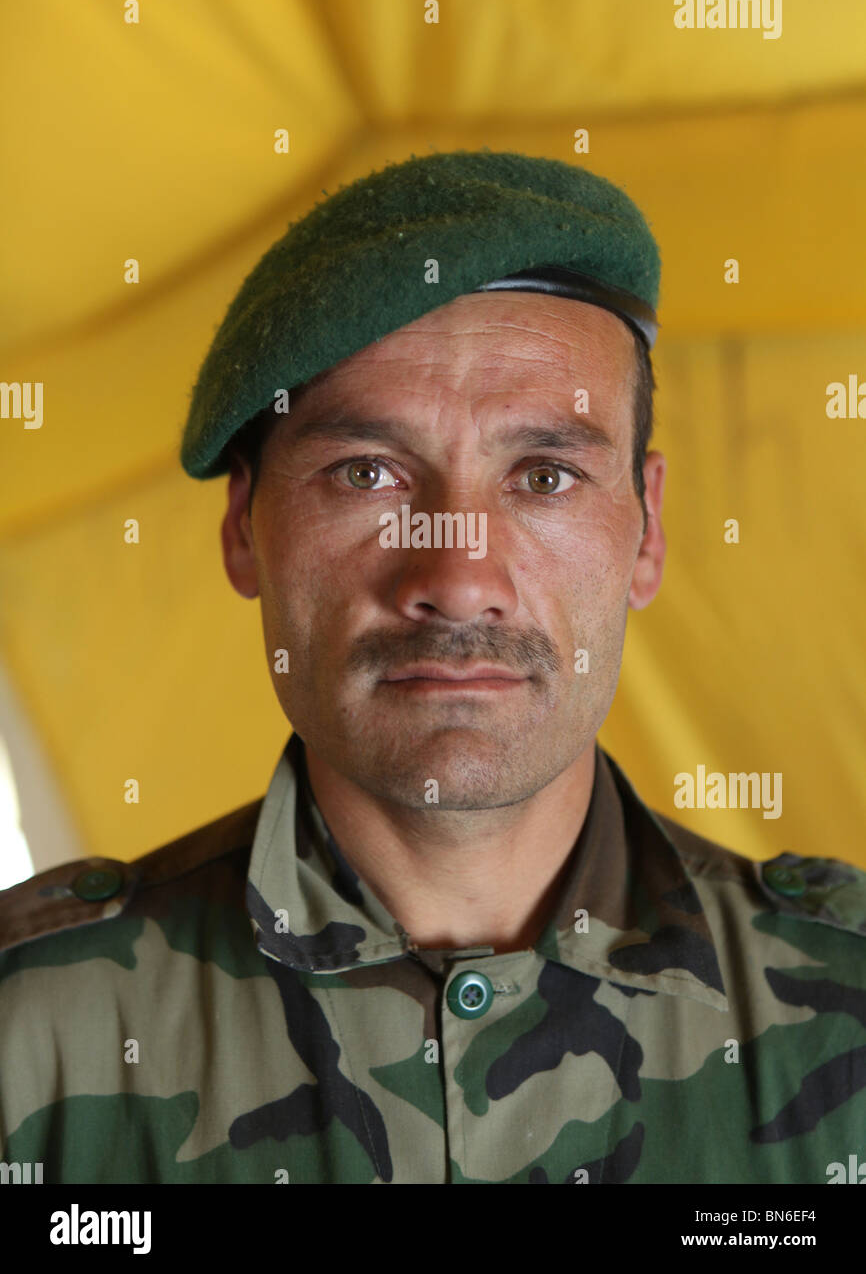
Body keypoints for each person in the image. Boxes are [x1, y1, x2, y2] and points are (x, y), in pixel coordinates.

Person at [1, 149, 864, 1185]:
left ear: (644, 532)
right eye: (366, 472)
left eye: (542, 476)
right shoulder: (29, 1033)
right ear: (244, 529)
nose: (458, 580)